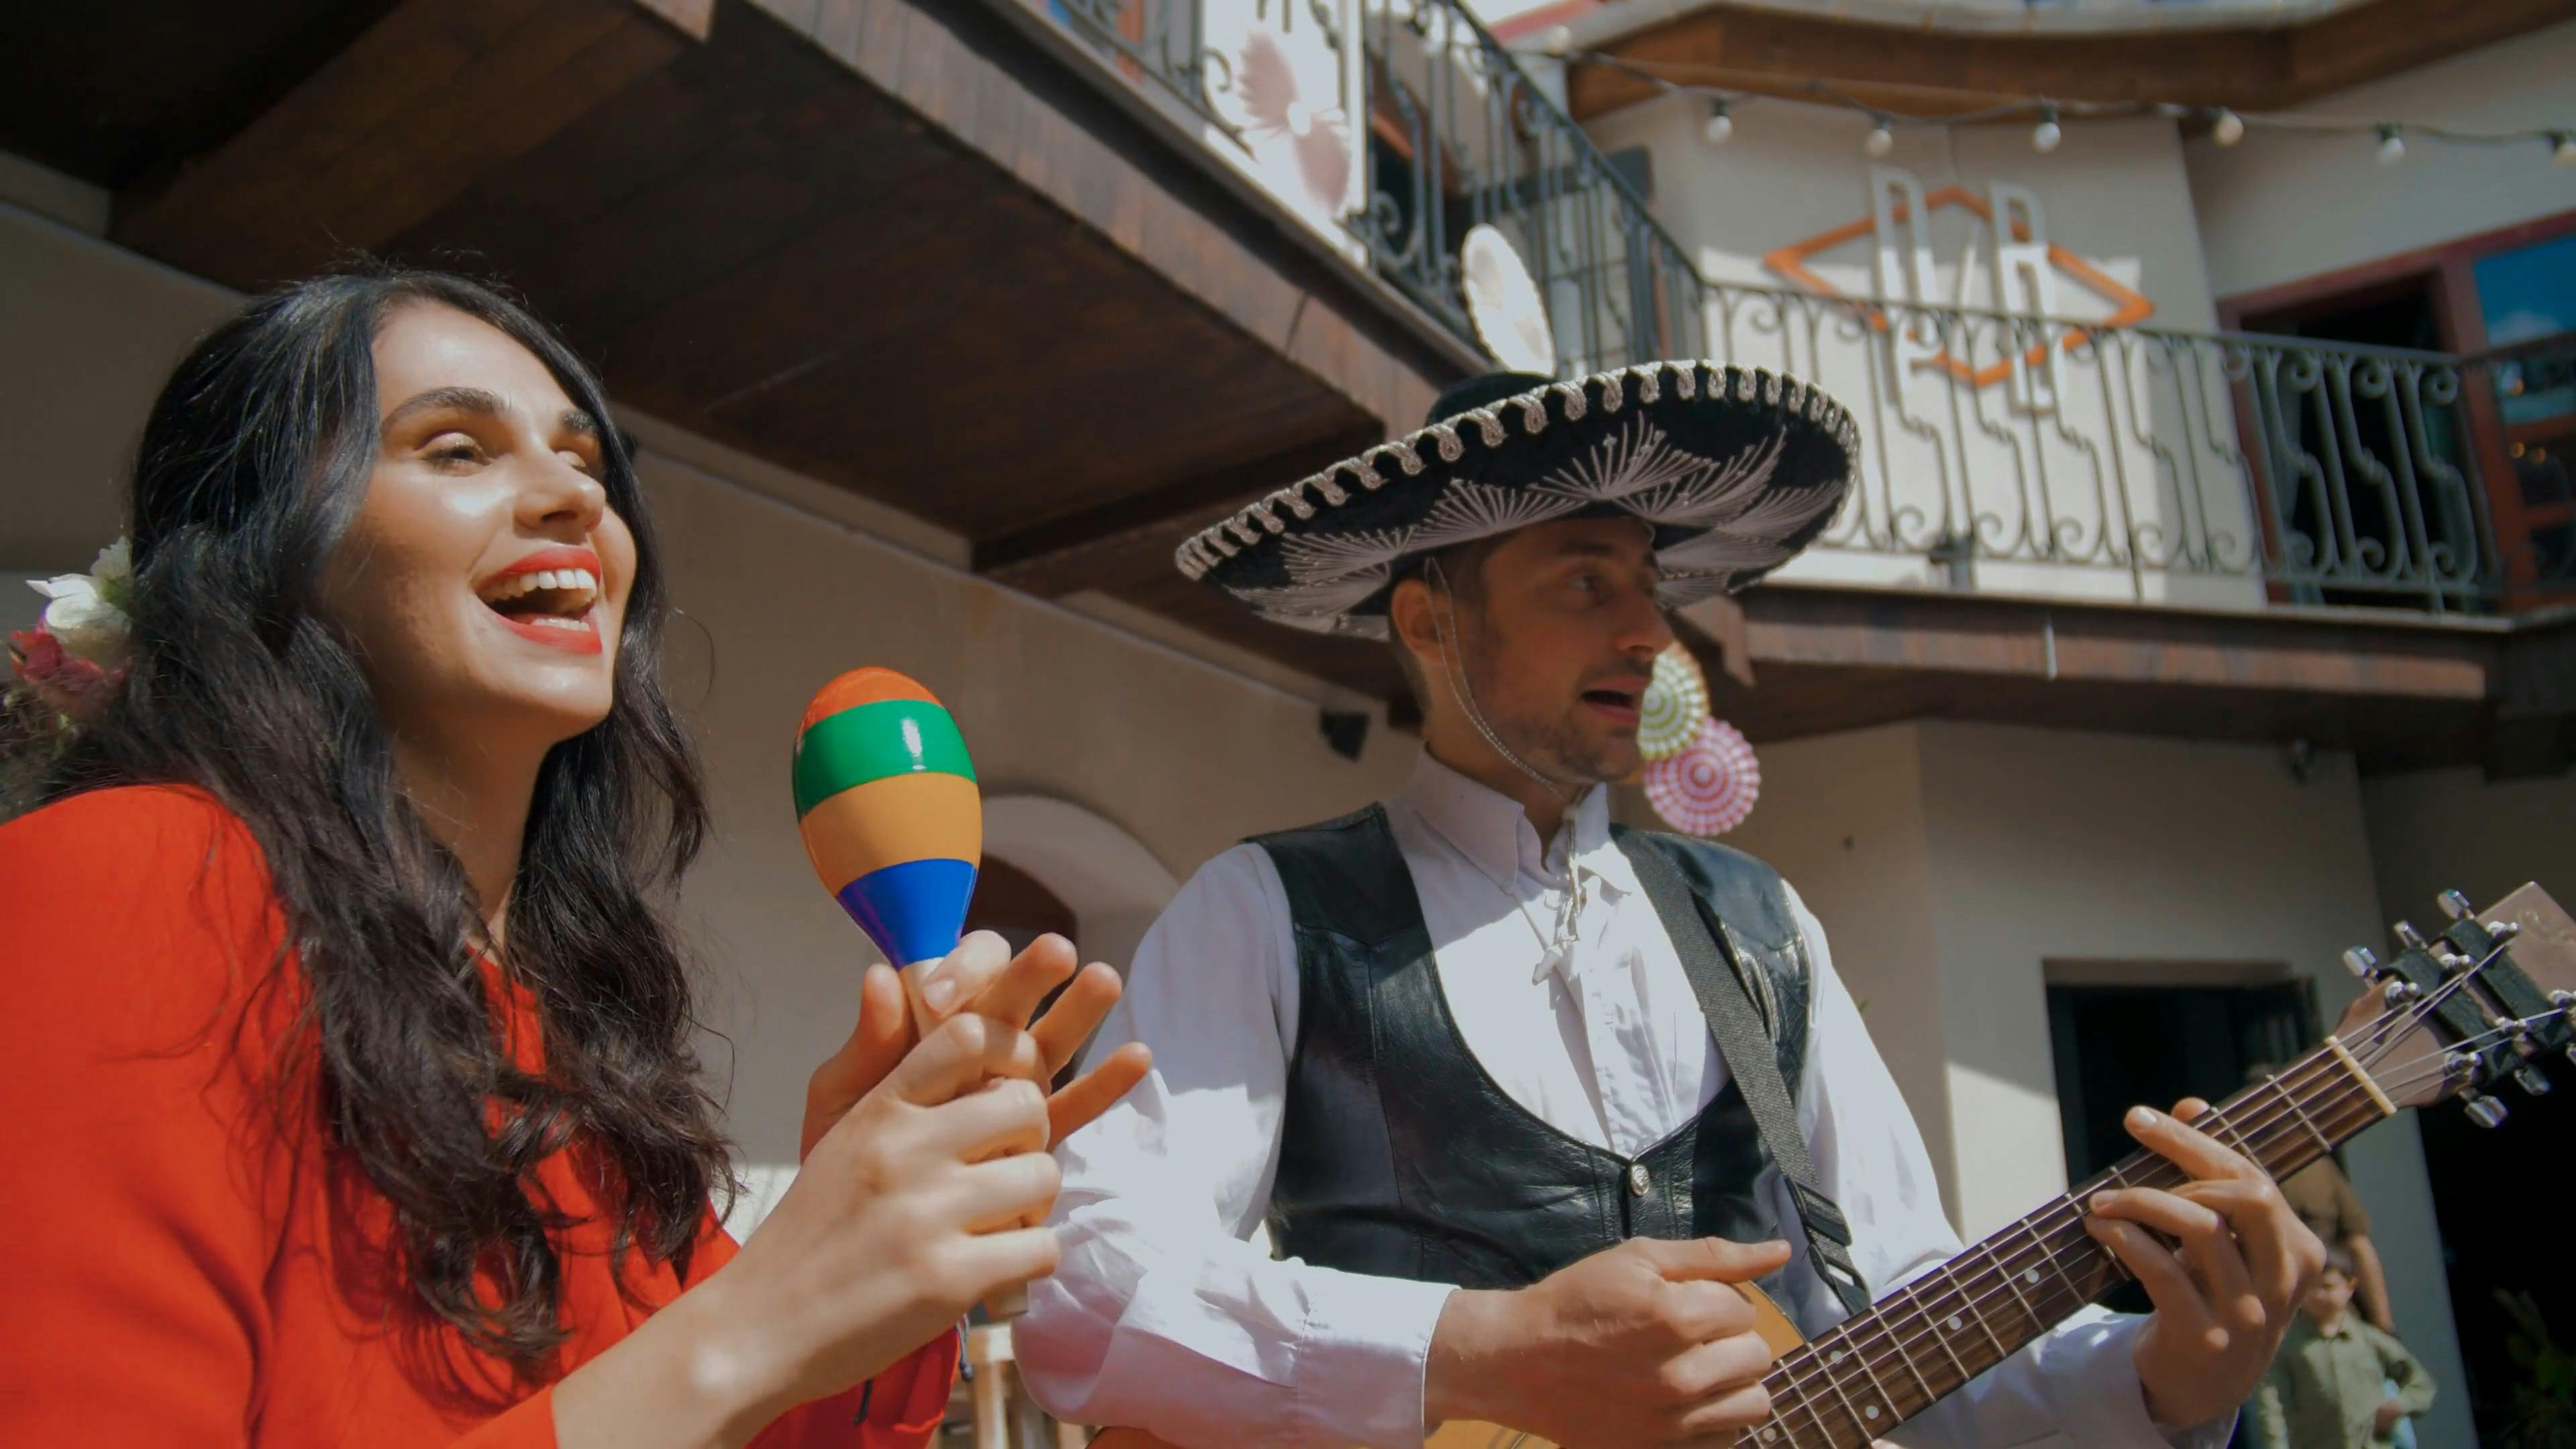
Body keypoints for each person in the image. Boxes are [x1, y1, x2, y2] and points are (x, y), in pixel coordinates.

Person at [1014, 365, 2327, 1448]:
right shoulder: (1266, 911)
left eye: (1653, 585)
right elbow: (1089, 1280)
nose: (1650, 631)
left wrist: (2169, 1380)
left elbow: (1912, 1332)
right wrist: (1473, 1349)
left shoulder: (1762, 922)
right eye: (1588, 581)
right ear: (1427, 619)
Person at [0, 269, 1149, 1448]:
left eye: (587, 464)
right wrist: (755, 1322)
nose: (571, 498)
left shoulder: (567, 1029)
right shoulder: (126, 873)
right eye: (455, 450)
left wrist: (871, 1239)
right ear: (267, 542)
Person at [2248, 1067, 2398, 1336]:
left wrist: (2383, 1326)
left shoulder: (2317, 1167)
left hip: (2330, 1316)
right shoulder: (2238, 1168)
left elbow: (2359, 1245)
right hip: (2271, 1324)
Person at [2251, 1248, 2434, 1449]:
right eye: (2311, 1287)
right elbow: (2271, 1407)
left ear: (2350, 1286)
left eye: (2328, 1286)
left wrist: (2399, 1406)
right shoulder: (2288, 1346)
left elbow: (2421, 1383)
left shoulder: (2369, 1340)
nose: (2319, 1295)